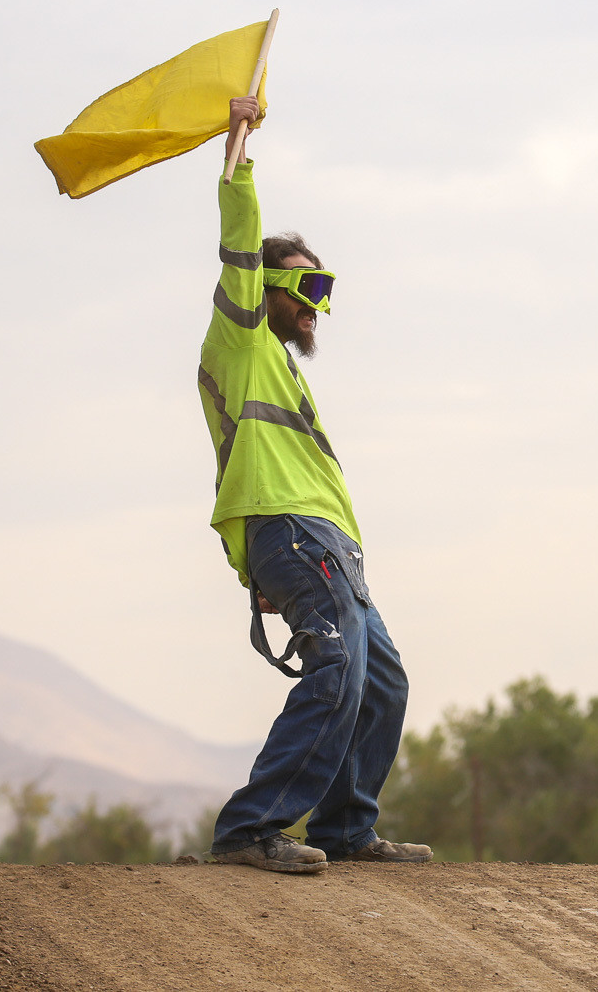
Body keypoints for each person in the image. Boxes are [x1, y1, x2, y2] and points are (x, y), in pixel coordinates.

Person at [197, 96, 429, 874]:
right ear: (264, 288)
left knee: (383, 682)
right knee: (337, 670)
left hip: (325, 544)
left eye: (323, 288)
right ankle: (250, 828)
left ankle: (344, 826)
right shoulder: (241, 336)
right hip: (288, 529)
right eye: (307, 286)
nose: (316, 304)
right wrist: (240, 149)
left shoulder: (286, 375)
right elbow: (236, 241)